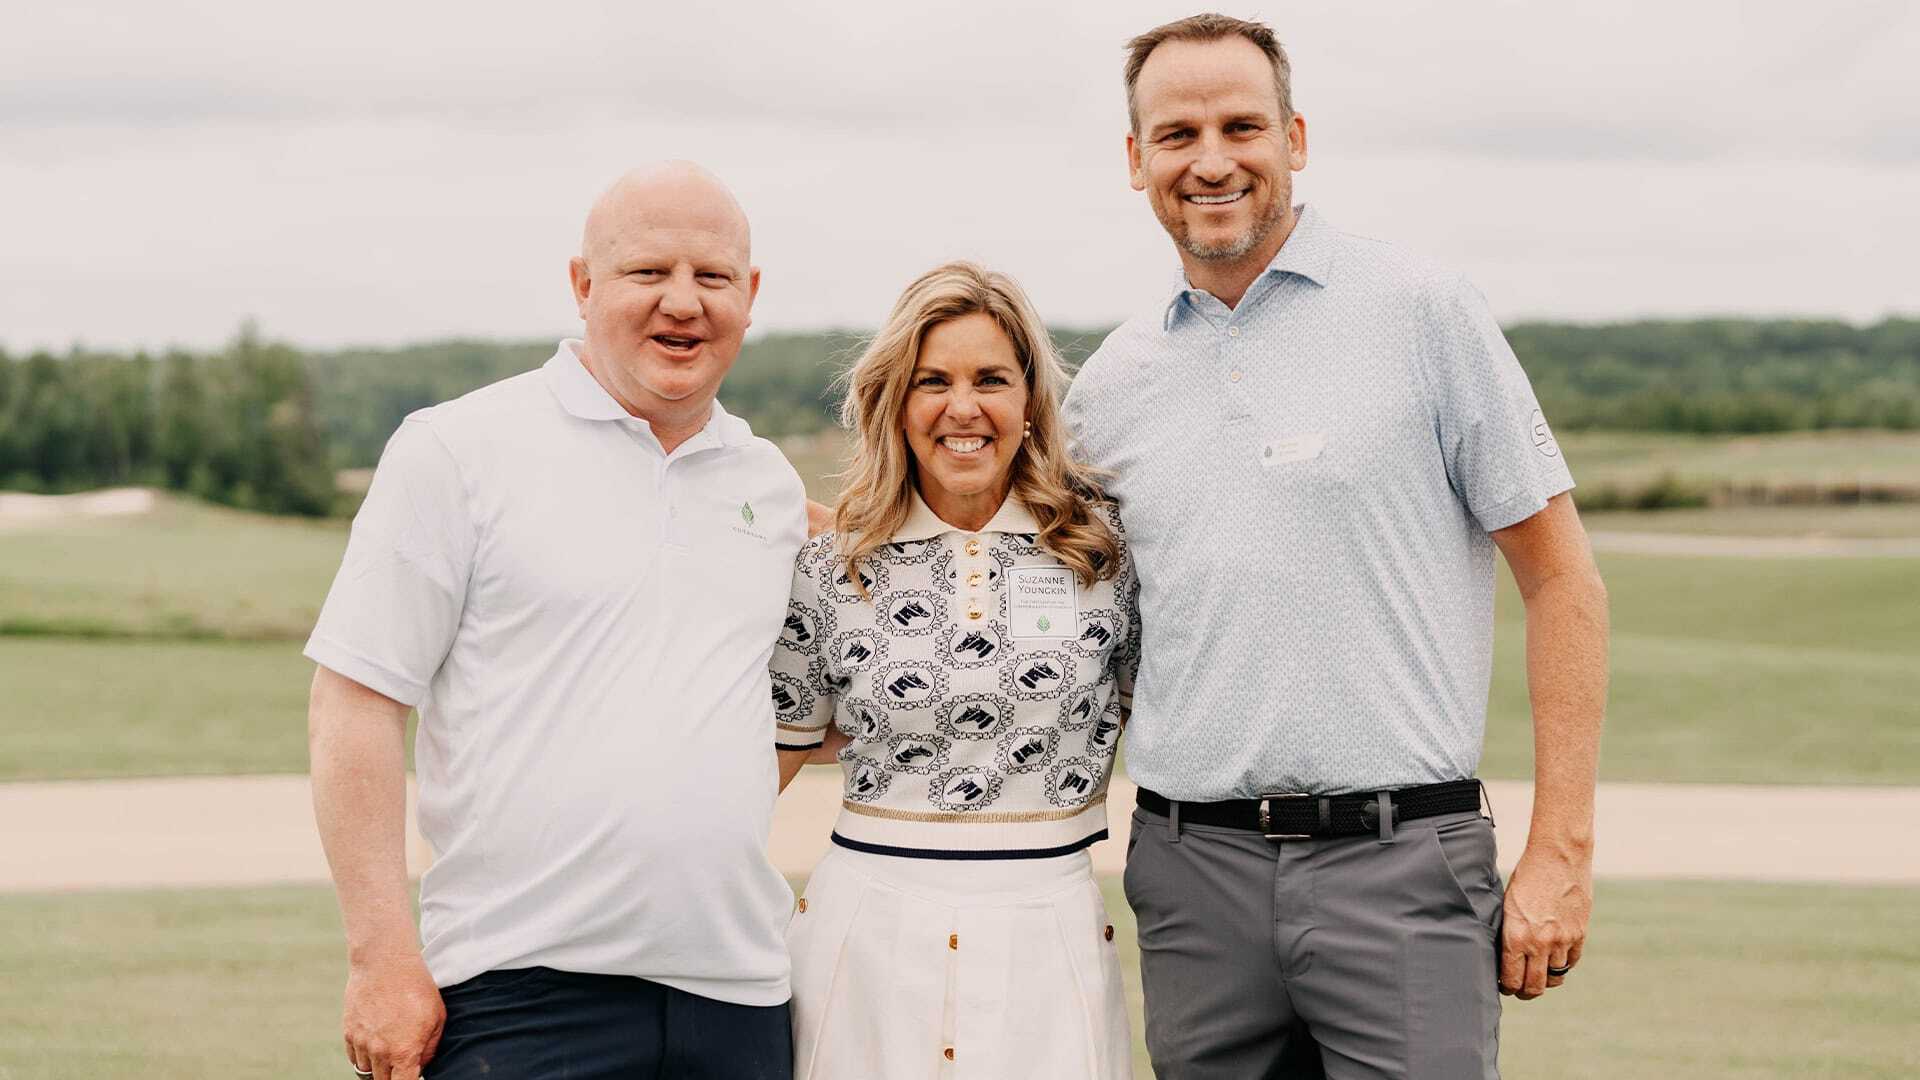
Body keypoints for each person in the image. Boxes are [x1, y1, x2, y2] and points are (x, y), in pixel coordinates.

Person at [1060, 14, 1611, 1079]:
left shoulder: (1424, 313)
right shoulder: (1109, 391)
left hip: (1401, 866)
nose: (1211, 160)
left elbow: (1563, 579)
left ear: (1295, 138)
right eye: (1176, 135)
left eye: (1240, 126)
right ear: (1136, 162)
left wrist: (1562, 850)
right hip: (1190, 876)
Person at [305, 162, 805, 1080]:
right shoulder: (456, 449)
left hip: (741, 994)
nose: (683, 304)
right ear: (582, 285)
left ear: (753, 294)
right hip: (519, 996)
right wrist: (379, 958)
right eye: (648, 273)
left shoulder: (768, 486)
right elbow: (354, 705)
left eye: (713, 277)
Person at [771, 262, 1137, 1079]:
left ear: (1030, 400)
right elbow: (775, 757)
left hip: (1052, 932)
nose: (961, 407)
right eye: (931, 380)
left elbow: (1173, 720)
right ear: (894, 401)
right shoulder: (833, 566)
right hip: (865, 940)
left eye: (991, 380)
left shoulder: (1106, 551)